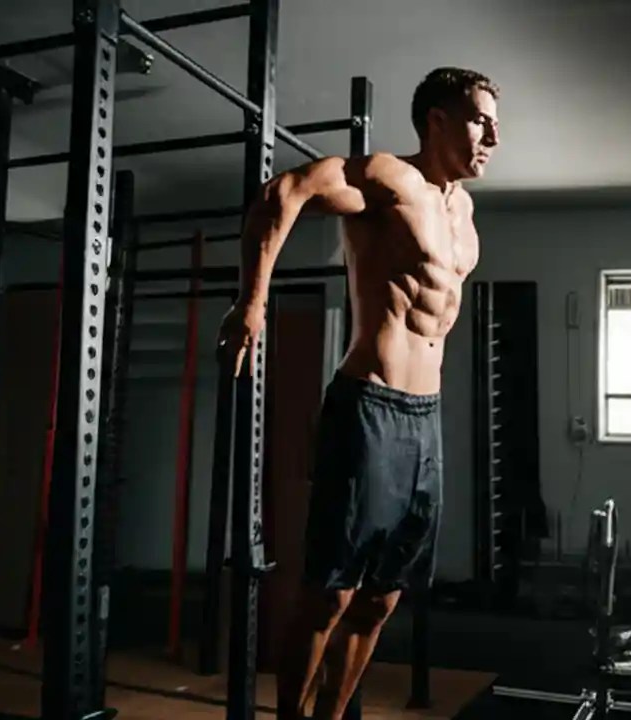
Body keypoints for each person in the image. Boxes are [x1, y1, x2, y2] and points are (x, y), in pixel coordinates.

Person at [215, 66, 501, 720]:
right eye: (480, 119)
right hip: (369, 406)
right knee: (332, 595)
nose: (494, 136)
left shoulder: (463, 209)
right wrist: (251, 304)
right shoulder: (387, 179)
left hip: (424, 424)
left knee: (382, 598)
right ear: (436, 119)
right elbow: (280, 191)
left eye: (495, 123)